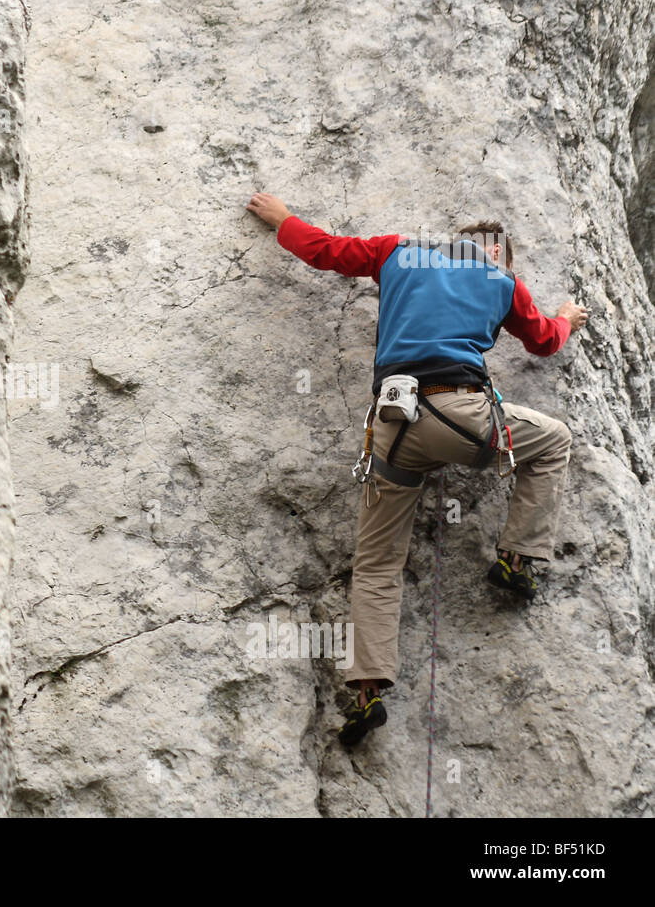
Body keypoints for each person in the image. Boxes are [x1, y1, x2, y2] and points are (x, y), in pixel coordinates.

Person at [245, 192, 589, 747]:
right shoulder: (501, 281)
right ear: (500, 256)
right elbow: (545, 341)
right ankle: (517, 559)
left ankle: (367, 693)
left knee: (378, 562)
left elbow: (326, 250)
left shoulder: (397, 253)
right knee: (554, 441)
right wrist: (567, 317)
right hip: (465, 417)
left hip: (395, 424)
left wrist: (284, 219)